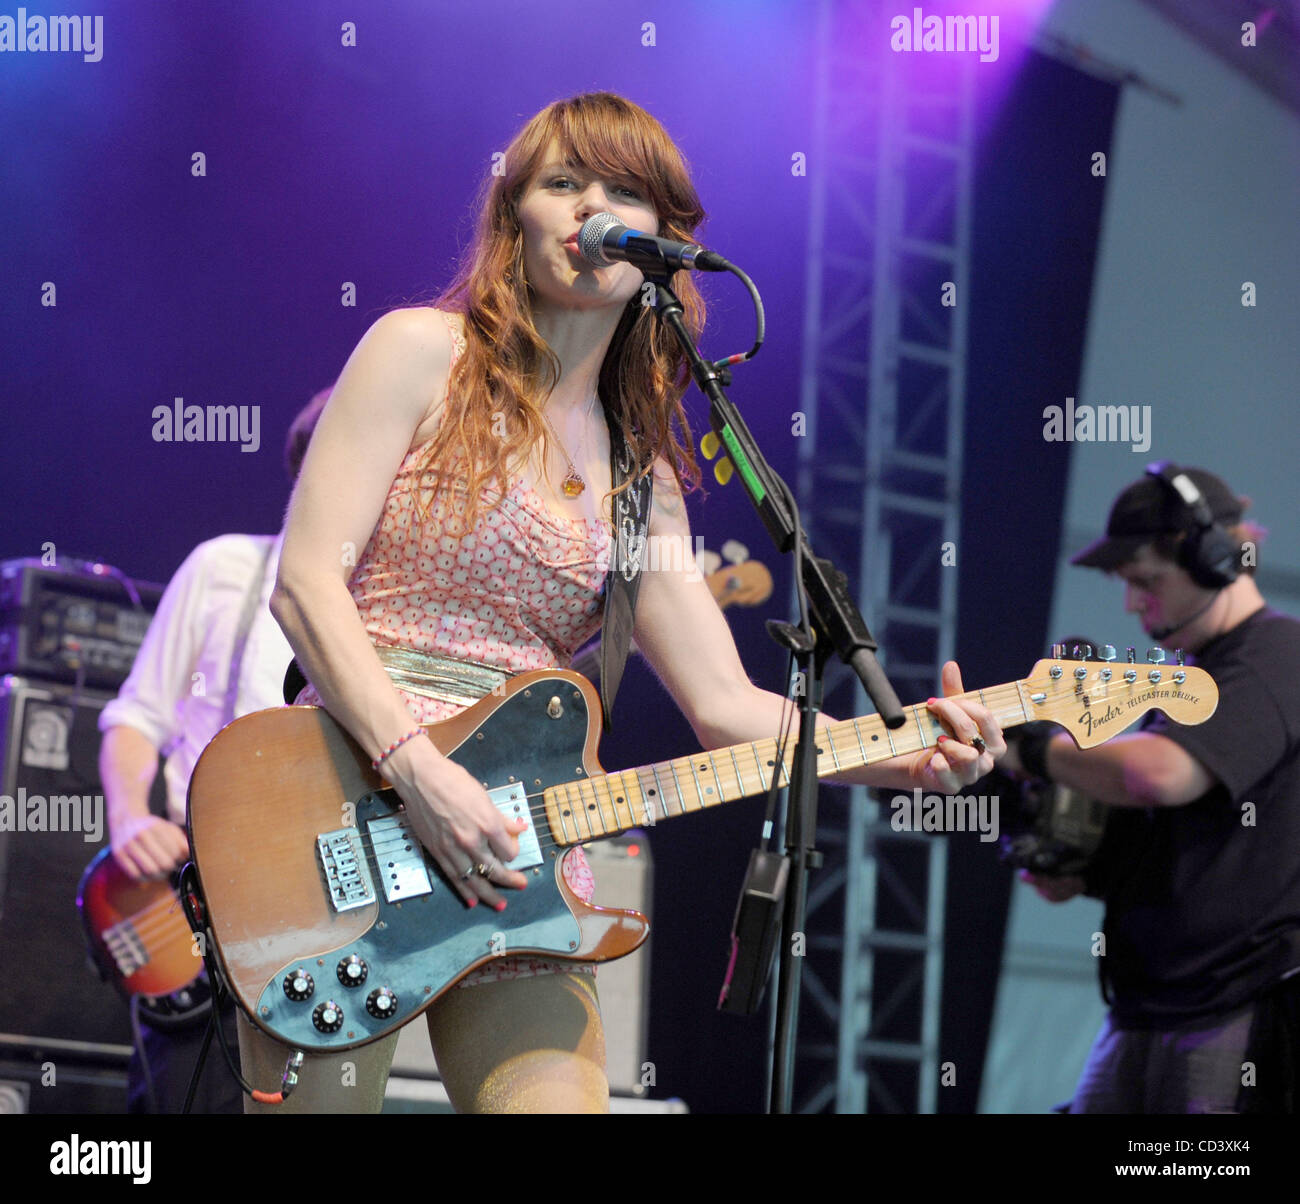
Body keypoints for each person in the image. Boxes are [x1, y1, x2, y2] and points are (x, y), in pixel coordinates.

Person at [258, 90, 1005, 1115]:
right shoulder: (416, 354)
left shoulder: (636, 475)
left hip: (512, 855)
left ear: (663, 241)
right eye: (563, 184)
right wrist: (419, 771)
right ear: (513, 213)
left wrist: (901, 752)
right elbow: (304, 586)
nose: (588, 211)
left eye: (623, 193)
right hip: (346, 799)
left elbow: (728, 705)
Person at [1007, 463, 1300, 1114]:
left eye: (1146, 582)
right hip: (1141, 1008)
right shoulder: (1187, 681)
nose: (1133, 603)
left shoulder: (1279, 656)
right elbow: (1187, 845)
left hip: (1229, 1008)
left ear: (1215, 560)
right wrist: (1086, 873)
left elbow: (1160, 774)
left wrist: (1033, 751)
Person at [99, 387, 329, 1113]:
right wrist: (131, 818)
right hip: (193, 905)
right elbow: (136, 716)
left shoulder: (391, 612)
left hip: (315, 914)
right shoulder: (223, 568)